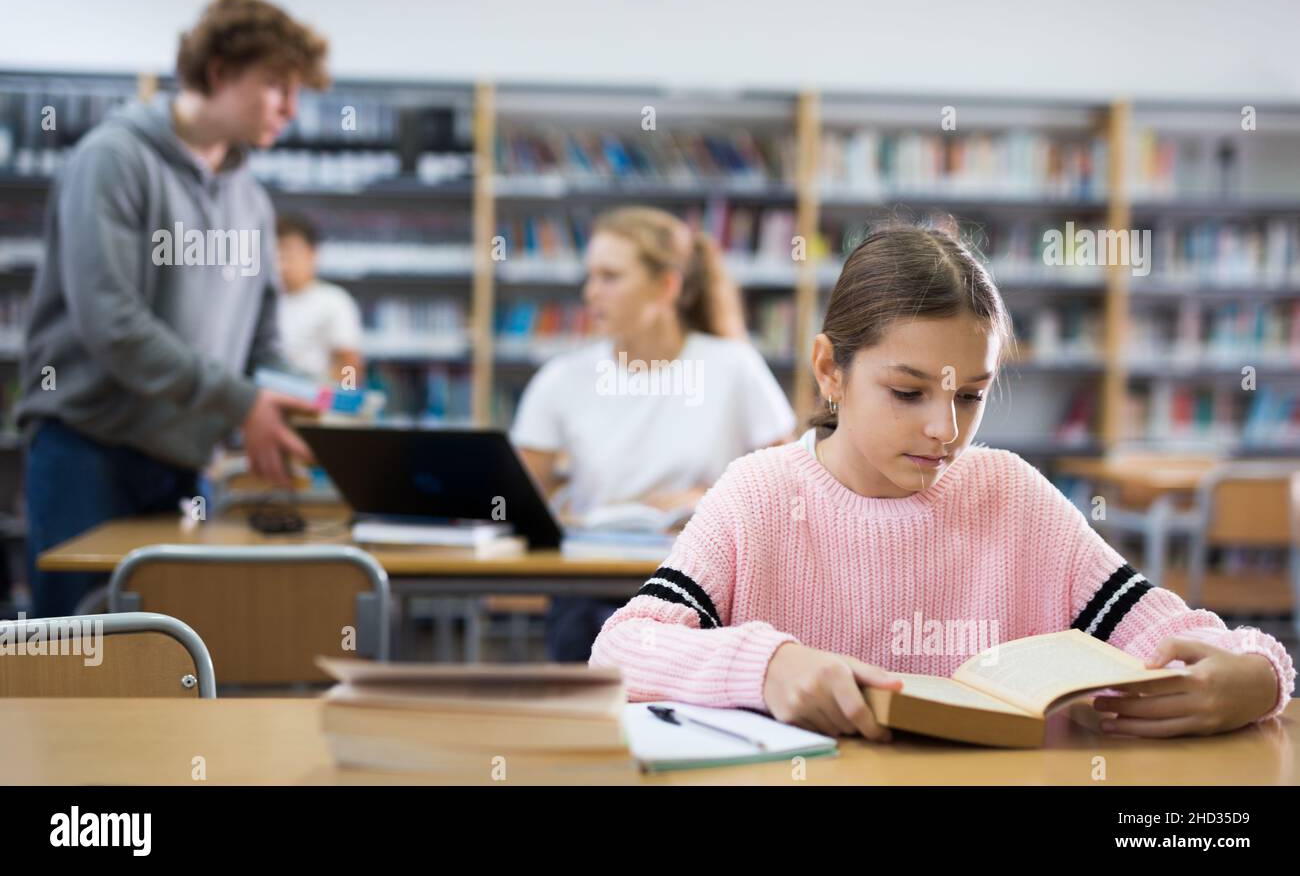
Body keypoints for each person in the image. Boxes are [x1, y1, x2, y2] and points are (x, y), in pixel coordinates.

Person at [590, 223, 1295, 739]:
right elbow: (620, 649)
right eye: (908, 392)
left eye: (969, 395)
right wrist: (767, 666)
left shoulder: (1012, 496)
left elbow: (1176, 635)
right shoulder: (759, 495)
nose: (945, 431)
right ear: (830, 370)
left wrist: (1259, 676)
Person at [19, 0, 329, 617]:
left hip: (186, 466)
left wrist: (314, 405)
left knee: (173, 659)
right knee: (67, 660)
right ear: (218, 72)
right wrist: (242, 402)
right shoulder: (114, 160)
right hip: (88, 449)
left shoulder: (251, 200)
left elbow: (260, 345)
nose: (291, 109)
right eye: (275, 85)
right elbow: (111, 322)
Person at [511, 205, 796, 661]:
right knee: (592, 642)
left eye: (610, 277)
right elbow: (515, 501)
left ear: (666, 286)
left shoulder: (733, 368)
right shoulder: (562, 378)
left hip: (704, 584)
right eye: (589, 276)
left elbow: (789, 488)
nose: (590, 293)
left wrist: (707, 500)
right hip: (591, 587)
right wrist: (565, 511)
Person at [275, 212, 364, 386]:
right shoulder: (264, 303)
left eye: (290, 254)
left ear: (312, 254)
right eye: (277, 255)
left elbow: (351, 366)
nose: (282, 264)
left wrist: (342, 400)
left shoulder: (334, 301)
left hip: (318, 403)